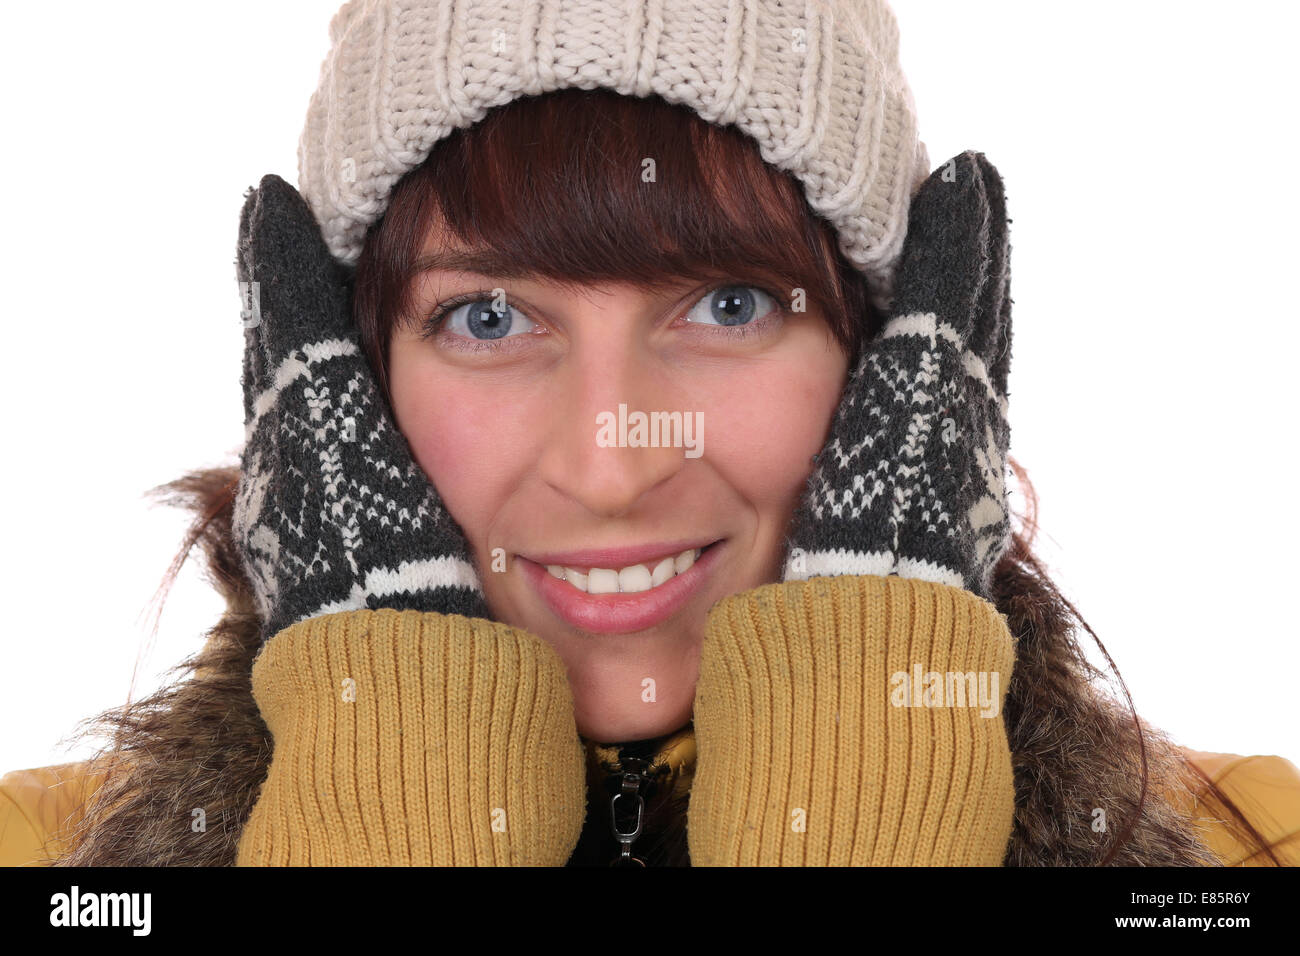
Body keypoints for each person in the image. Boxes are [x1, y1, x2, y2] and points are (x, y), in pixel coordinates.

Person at [3, 0, 1297, 867]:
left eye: (728, 305)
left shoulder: (1248, 847)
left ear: (897, 359)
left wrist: (860, 778)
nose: (611, 464)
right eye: (490, 317)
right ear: (330, 377)